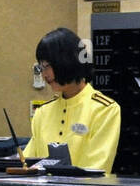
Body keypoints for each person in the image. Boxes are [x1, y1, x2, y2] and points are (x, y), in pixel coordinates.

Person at [24, 27, 120, 172]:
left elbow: (97, 169)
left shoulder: (104, 109)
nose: (44, 75)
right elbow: (28, 165)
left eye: (47, 66)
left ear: (66, 61)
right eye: (40, 67)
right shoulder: (43, 112)